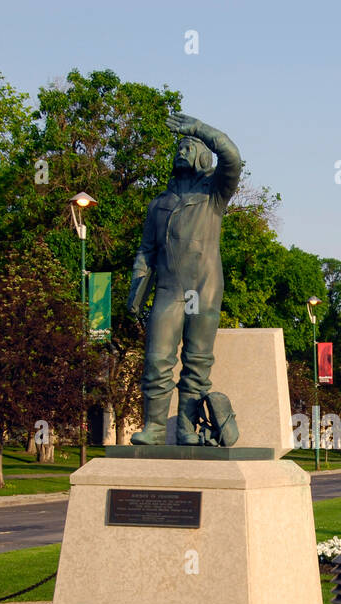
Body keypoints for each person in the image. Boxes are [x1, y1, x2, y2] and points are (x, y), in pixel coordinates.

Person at [126, 114, 242, 444]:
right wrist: (136, 288)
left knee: (197, 362)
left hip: (203, 288)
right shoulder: (158, 204)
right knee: (157, 358)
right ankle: (155, 428)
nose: (181, 150)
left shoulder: (215, 195)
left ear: (204, 156)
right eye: (179, 146)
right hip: (168, 289)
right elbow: (146, 251)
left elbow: (232, 156)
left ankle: (188, 429)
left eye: (188, 146)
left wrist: (198, 129)